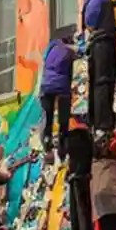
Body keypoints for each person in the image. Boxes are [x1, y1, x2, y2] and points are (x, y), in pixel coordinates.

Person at [82, 0, 116, 136]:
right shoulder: (102, 1)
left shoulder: (90, 1)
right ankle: (103, 123)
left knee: (98, 83)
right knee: (104, 82)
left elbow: (89, 23)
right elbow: (91, 22)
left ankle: (98, 122)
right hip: (104, 43)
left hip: (97, 45)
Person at [40, 30, 76, 158]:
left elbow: (44, 65)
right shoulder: (70, 52)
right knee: (63, 119)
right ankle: (63, 143)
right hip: (62, 87)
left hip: (46, 86)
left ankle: (46, 143)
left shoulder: (51, 48)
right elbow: (71, 73)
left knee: (48, 117)